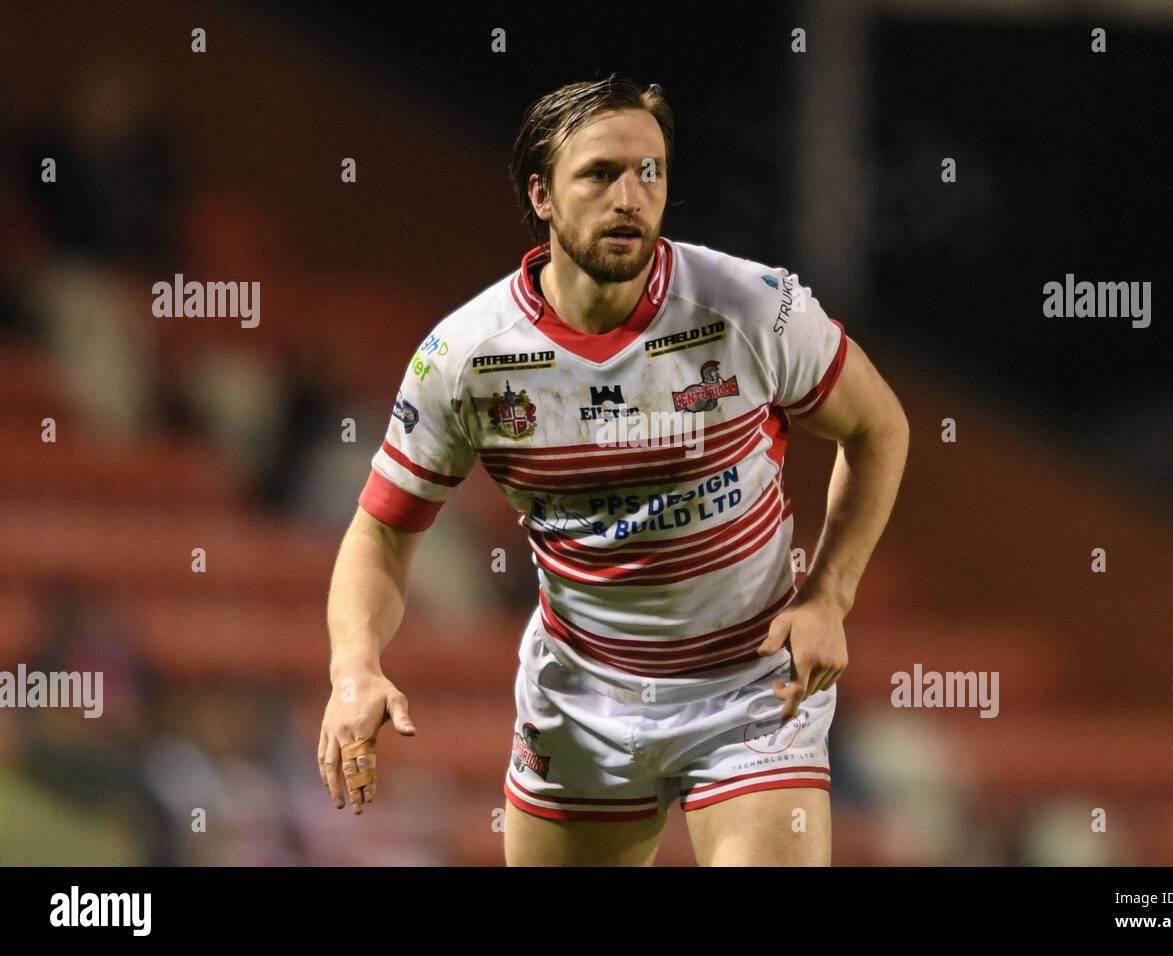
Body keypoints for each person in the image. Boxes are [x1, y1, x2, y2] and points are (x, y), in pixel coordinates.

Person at [319, 74, 909, 866]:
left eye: (650, 172)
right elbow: (383, 531)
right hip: (582, 697)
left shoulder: (750, 308)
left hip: (751, 686)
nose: (630, 196)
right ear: (542, 194)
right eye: (599, 174)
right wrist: (354, 667)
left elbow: (879, 426)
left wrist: (830, 595)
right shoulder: (466, 358)